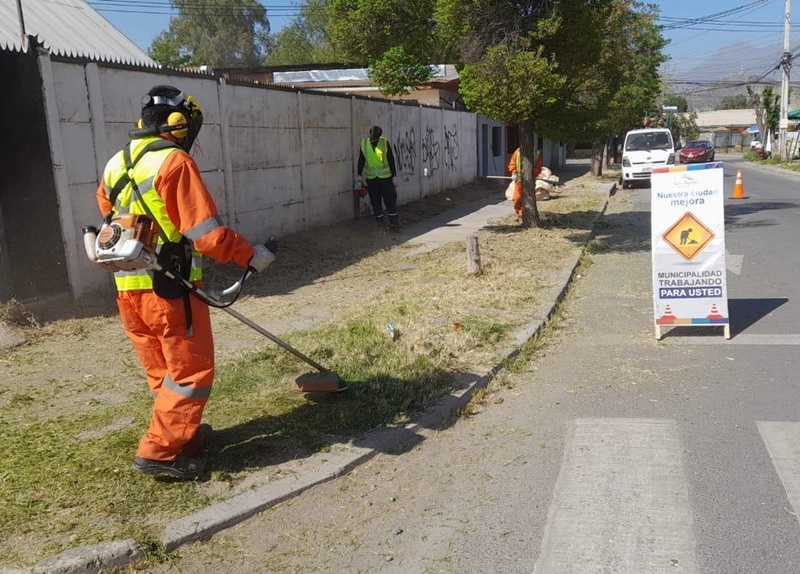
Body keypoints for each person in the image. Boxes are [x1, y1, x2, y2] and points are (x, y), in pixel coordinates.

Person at [95, 85, 277, 480]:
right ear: (178, 125)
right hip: (170, 287)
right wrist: (252, 256)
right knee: (191, 373)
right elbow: (207, 235)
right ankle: (159, 453)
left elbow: (111, 224)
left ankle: (182, 436)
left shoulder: (114, 165)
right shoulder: (174, 163)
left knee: (164, 373)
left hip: (129, 291)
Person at [357, 125, 400, 231]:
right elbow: (361, 161)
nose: (374, 140)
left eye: (376, 138)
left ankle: (394, 225)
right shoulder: (364, 144)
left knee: (390, 201)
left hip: (385, 178)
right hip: (372, 179)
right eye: (373, 137)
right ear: (369, 134)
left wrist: (394, 175)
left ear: (379, 136)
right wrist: (358, 177)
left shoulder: (384, 142)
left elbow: (390, 159)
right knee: (375, 202)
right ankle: (380, 226)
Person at [507, 147, 543, 219]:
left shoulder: (537, 153)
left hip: (530, 182)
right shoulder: (518, 152)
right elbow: (512, 164)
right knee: (517, 198)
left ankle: (527, 215)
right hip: (519, 181)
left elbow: (539, 167)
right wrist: (514, 173)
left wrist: (532, 174)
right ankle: (520, 213)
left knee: (529, 199)